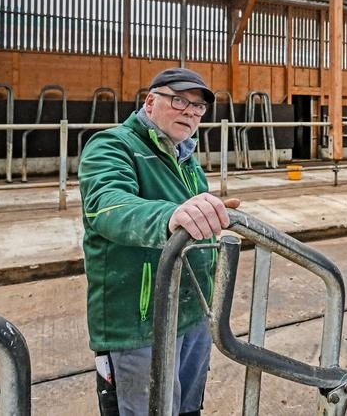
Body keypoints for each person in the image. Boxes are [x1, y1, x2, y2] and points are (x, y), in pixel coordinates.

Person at [79, 67, 238, 416]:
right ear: (150, 101)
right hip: (140, 321)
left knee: (186, 407)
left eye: (198, 108)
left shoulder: (186, 159)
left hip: (193, 311)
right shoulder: (114, 145)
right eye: (180, 100)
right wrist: (169, 216)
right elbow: (108, 205)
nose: (190, 112)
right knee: (146, 409)